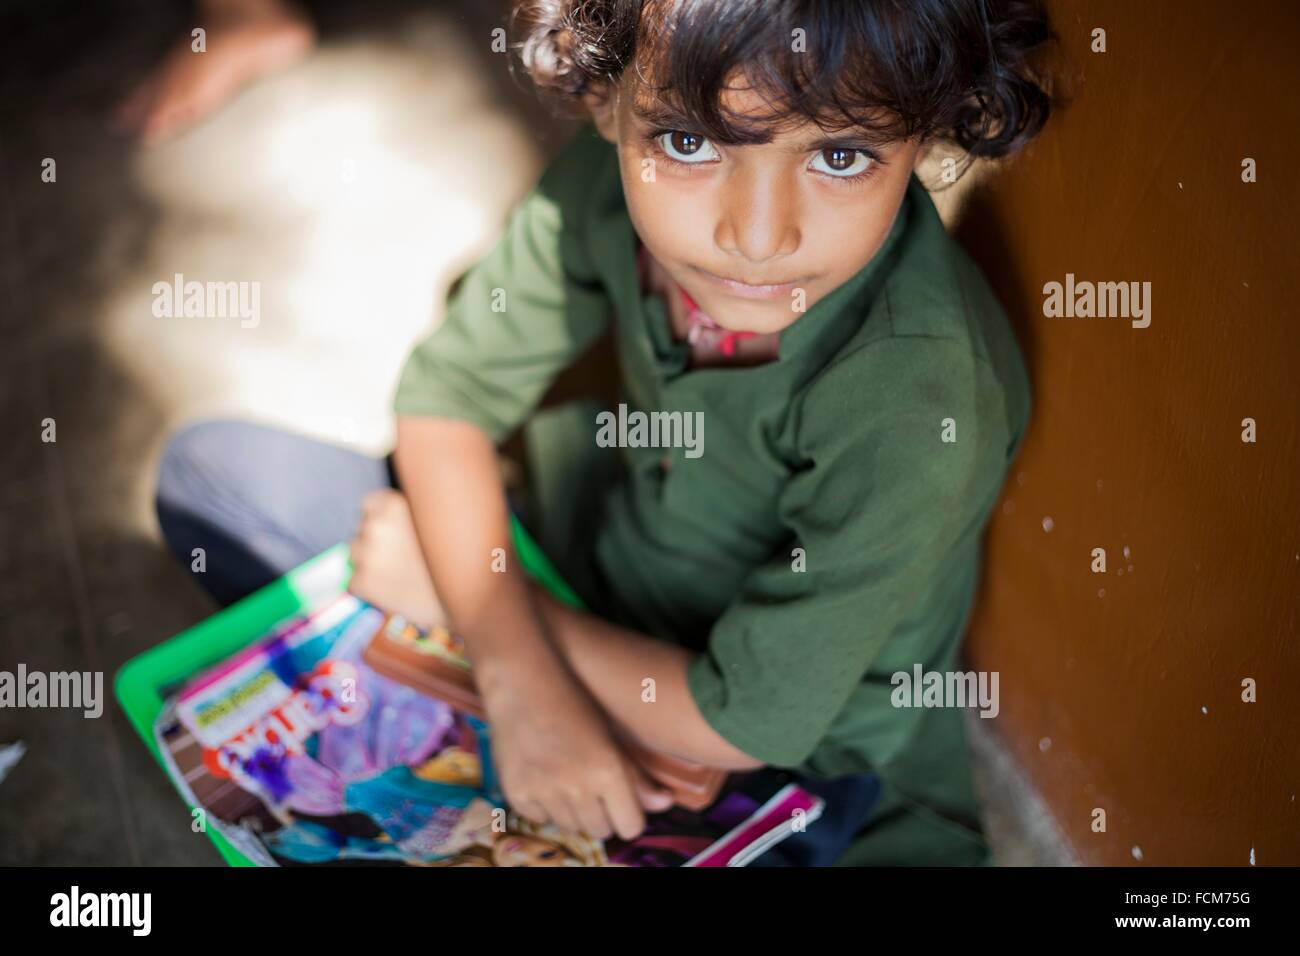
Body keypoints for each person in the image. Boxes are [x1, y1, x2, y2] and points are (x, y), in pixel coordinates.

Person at [156, 0, 1053, 865]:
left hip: (792, 770)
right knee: (218, 481)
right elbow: (444, 400)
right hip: (571, 579)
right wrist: (519, 676)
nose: (759, 236)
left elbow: (742, 722)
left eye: (845, 155)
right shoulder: (604, 185)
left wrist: (465, 610)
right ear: (610, 103)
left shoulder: (924, 402)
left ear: (928, 138)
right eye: (691, 141)